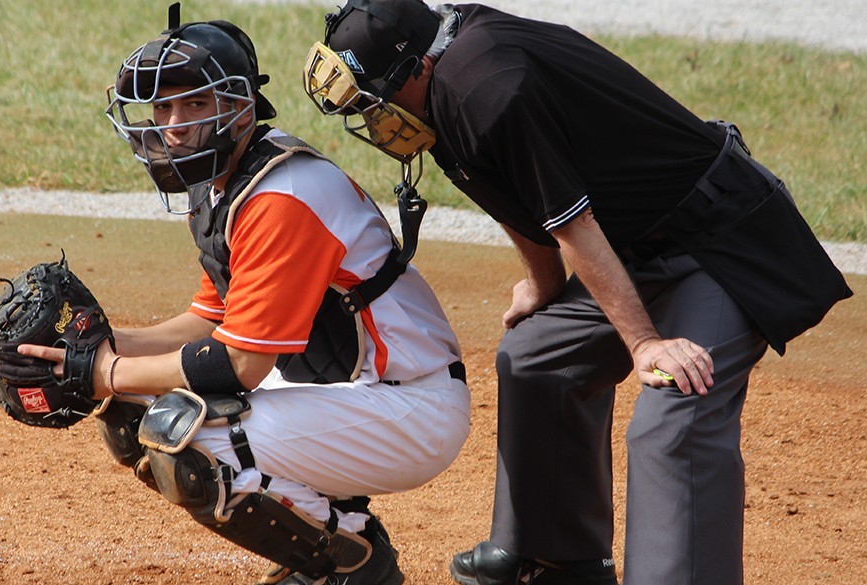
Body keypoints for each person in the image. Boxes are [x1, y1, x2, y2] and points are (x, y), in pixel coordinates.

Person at [304, 1, 853, 584]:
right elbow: (519, 192)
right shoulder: (440, 86)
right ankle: (557, 559)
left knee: (674, 413)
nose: (374, 117)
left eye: (375, 98)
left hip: (716, 244)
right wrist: (544, 286)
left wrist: (644, 344)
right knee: (537, 356)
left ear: (417, 68)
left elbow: (573, 223)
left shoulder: (489, 87)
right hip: (628, 251)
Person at [17, 7, 470, 585]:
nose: (173, 124)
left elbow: (241, 364)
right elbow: (212, 320)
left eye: (195, 104)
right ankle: (337, 530)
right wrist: (91, 347)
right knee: (136, 409)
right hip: (346, 387)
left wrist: (106, 371)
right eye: (162, 108)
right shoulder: (223, 184)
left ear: (238, 107)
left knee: (187, 439)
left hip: (409, 404)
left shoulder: (281, 196)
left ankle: (350, 561)